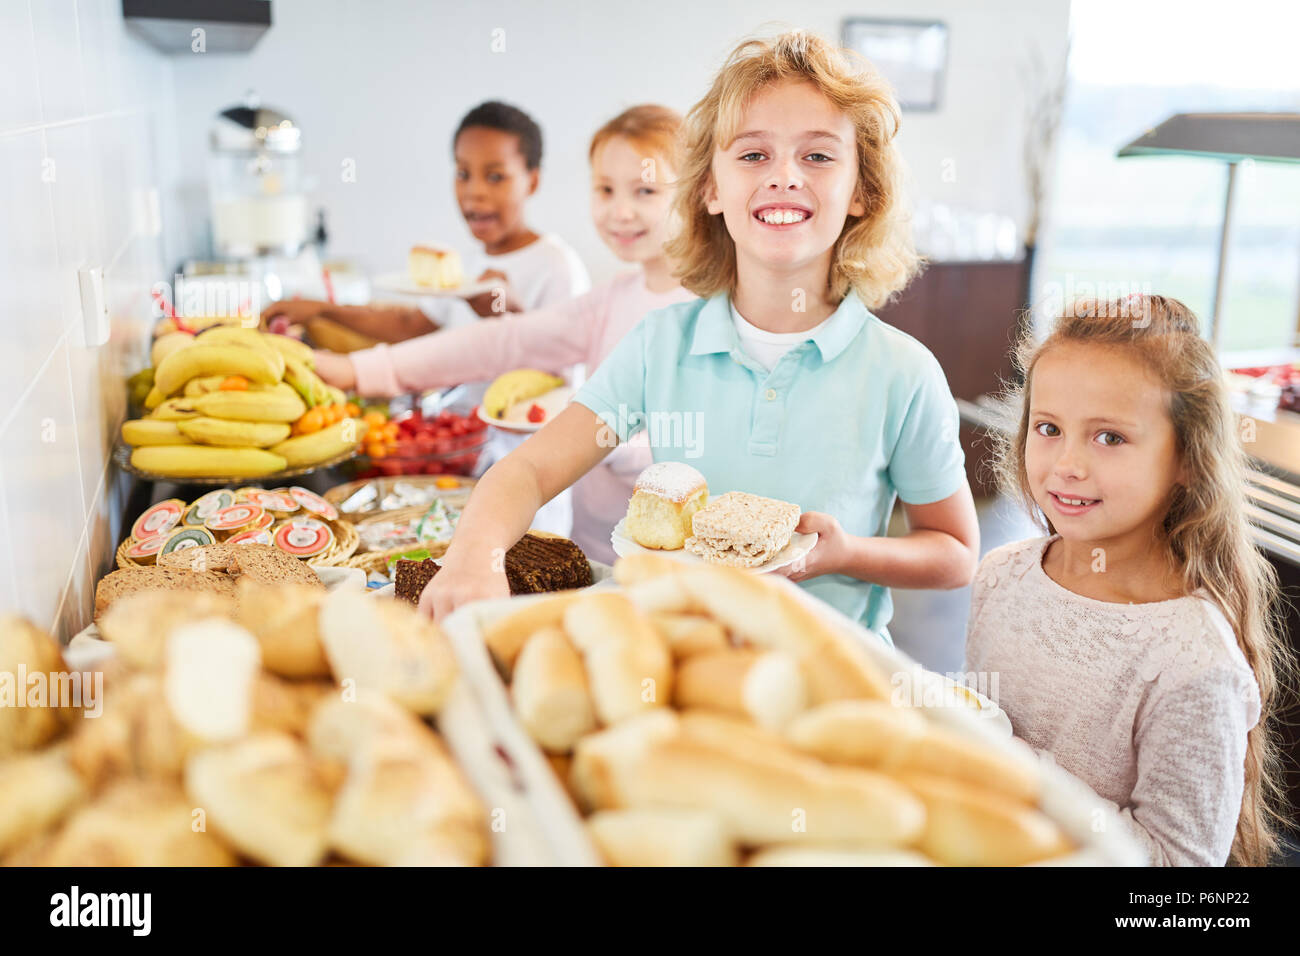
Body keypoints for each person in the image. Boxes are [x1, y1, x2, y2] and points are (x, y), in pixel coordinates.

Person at [423, 30, 980, 641]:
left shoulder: (903, 371)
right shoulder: (658, 344)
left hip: (830, 676)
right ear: (711, 188)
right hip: (681, 659)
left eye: (818, 156)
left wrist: (843, 553)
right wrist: (474, 555)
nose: (785, 177)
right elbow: (527, 472)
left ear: (862, 191)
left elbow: (953, 551)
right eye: (752, 155)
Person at [965, 293, 1289, 866]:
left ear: (1188, 457)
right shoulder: (1000, 578)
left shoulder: (1194, 662)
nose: (1067, 463)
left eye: (1109, 437)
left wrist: (1016, 769)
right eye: (1048, 428)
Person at [313, 105, 693, 562]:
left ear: (697, 191)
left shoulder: (706, 306)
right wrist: (357, 369)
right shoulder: (613, 296)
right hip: (591, 550)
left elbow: (691, 444)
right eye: (605, 189)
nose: (620, 211)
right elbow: (501, 342)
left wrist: (599, 437)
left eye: (645, 190)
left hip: (666, 561)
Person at [262, 100, 590, 344]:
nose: (474, 193)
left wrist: (512, 316)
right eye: (463, 174)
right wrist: (321, 309)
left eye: (495, 176)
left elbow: (565, 369)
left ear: (532, 182)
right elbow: (410, 325)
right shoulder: (469, 265)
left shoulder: (557, 268)